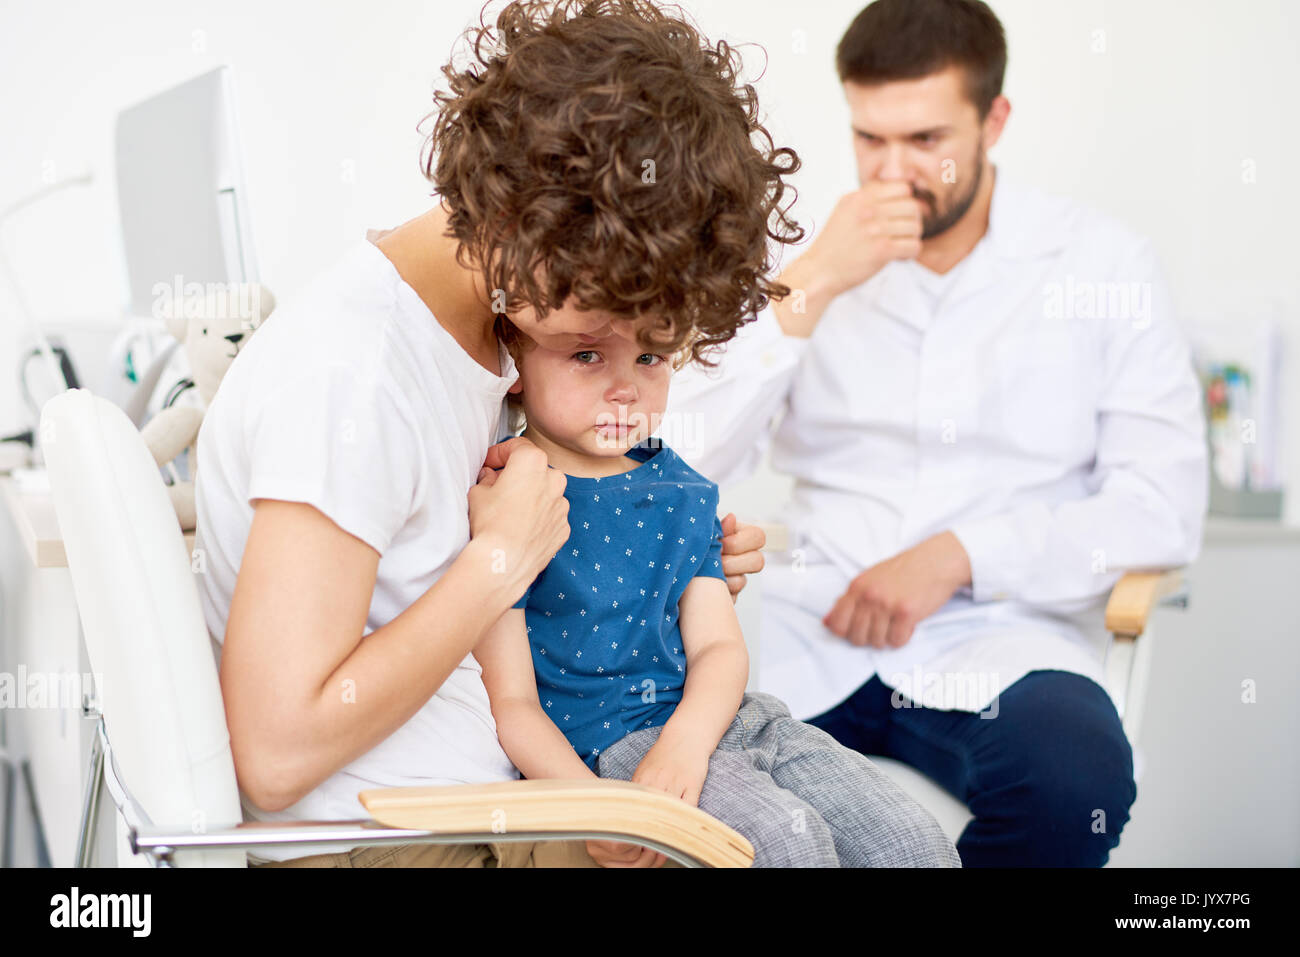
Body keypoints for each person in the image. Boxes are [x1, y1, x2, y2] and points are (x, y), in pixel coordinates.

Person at [193, 0, 792, 867]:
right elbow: (275, 754)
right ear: (523, 229)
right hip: (407, 838)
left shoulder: (492, 324)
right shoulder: (353, 376)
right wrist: (498, 562)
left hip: (503, 793)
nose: (626, 350)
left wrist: (660, 567)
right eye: (602, 322)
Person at [661, 0, 1208, 866]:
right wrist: (810, 286)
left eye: (925, 139)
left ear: (995, 119)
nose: (893, 171)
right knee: (692, 792)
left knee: (1073, 781)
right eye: (869, 139)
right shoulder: (802, 258)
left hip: (1003, 636)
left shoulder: (1101, 264)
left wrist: (960, 552)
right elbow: (674, 456)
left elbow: (1161, 505)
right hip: (809, 633)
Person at [471, 322, 962, 867]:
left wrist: (687, 742)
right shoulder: (509, 498)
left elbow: (718, 649)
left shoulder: (683, 489)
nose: (626, 388)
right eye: (587, 355)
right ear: (514, 364)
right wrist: (594, 805)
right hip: (618, 746)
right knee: (781, 845)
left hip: (731, 719)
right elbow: (511, 702)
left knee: (915, 842)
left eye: (651, 358)